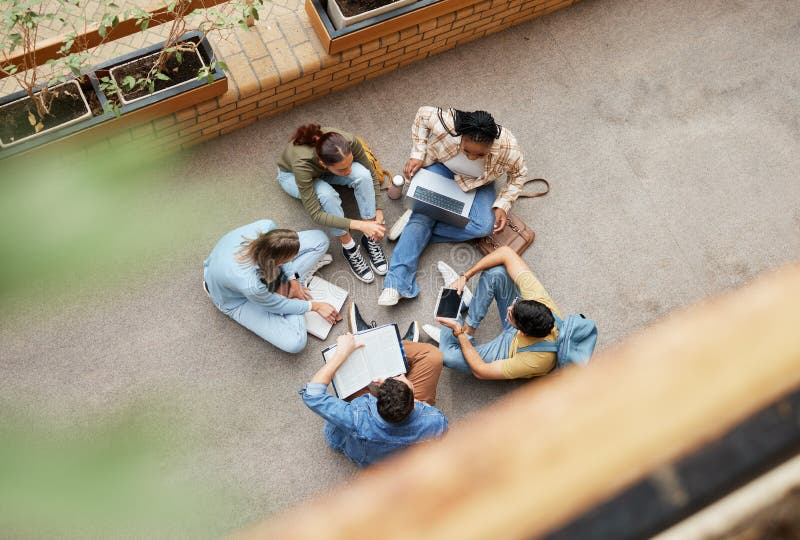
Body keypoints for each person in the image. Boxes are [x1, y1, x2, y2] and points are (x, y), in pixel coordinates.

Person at [378, 106, 531, 306]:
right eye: (467, 150)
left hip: (478, 182)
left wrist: (502, 204)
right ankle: (396, 284)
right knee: (423, 217)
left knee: (483, 227)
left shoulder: (508, 147)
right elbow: (422, 114)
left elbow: (519, 174)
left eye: (480, 154)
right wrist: (418, 153)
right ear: (460, 136)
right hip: (442, 169)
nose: (471, 157)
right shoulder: (448, 122)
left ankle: (416, 224)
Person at [299, 304, 447, 467]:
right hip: (401, 456)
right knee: (432, 356)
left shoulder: (355, 416)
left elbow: (312, 395)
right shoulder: (434, 421)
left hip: (358, 443)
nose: (402, 376)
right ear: (414, 405)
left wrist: (341, 353)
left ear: (376, 399)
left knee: (347, 369)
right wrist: (408, 390)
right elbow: (440, 430)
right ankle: (396, 350)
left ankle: (365, 341)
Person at [203, 219, 339, 354]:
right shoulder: (251, 285)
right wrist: (314, 306)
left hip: (237, 269)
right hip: (235, 300)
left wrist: (293, 279)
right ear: (275, 262)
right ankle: (291, 294)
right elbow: (277, 305)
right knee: (296, 342)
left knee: (320, 239)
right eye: (287, 260)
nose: (290, 261)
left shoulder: (266, 226)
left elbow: (279, 253)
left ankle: (290, 286)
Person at [423, 246, 561, 380]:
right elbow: (506, 253)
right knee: (497, 272)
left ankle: (452, 330)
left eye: (511, 315)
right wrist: (465, 276)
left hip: (513, 349)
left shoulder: (535, 360)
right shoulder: (540, 299)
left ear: (521, 332)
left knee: (447, 356)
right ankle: (467, 328)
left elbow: (481, 371)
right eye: (515, 305)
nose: (509, 308)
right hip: (526, 328)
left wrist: (458, 332)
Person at [277, 124, 388, 284]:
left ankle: (370, 236)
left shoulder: (348, 141)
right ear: (322, 163)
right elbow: (317, 214)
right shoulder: (302, 165)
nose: (349, 171)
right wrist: (358, 224)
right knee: (327, 195)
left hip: (328, 171)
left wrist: (378, 210)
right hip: (292, 176)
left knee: (362, 175)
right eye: (344, 169)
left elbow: (369, 172)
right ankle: (349, 247)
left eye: (350, 163)